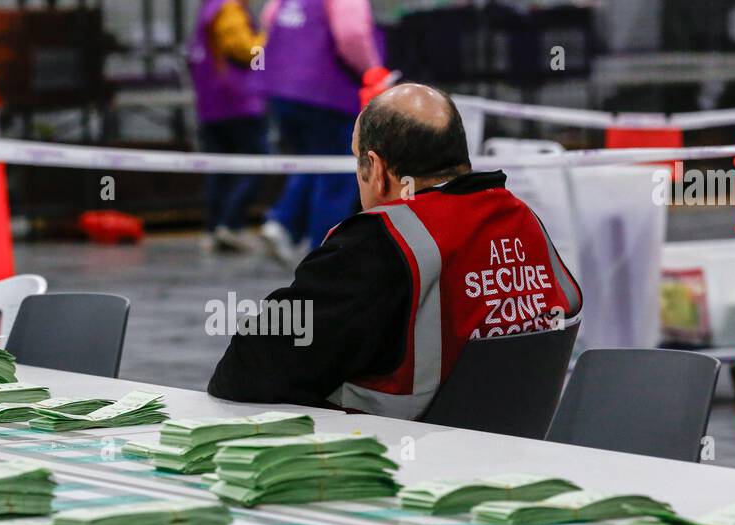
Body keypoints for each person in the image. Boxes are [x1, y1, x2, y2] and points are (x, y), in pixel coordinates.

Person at [208, 83, 583, 419]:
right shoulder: (523, 220)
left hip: (395, 458)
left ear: (376, 168)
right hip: (518, 448)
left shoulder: (379, 243)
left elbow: (243, 373)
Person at [258, 0, 380, 265]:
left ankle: (281, 223)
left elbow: (268, 22)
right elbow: (352, 35)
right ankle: (325, 254)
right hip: (326, 94)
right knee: (337, 172)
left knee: (309, 160)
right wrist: (373, 69)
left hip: (283, 92)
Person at [188, 0, 268, 253]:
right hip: (237, 101)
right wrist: (270, 40)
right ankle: (231, 225)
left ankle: (214, 228)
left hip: (211, 103)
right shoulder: (228, 5)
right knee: (259, 161)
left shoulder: (211, 1)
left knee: (219, 167)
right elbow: (246, 50)